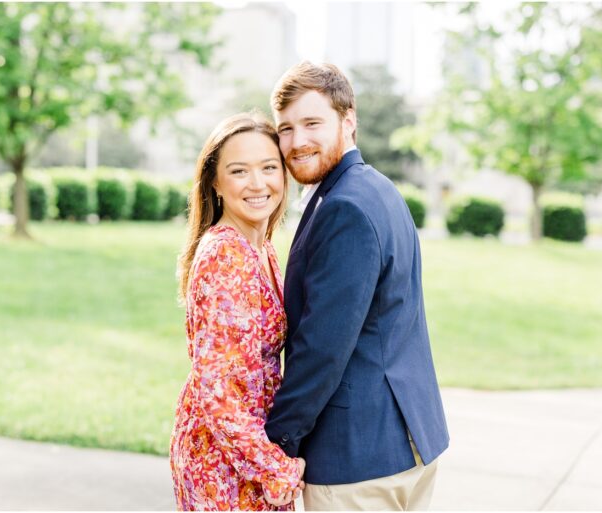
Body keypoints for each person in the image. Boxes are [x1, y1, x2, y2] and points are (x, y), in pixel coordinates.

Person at [263, 61, 450, 510]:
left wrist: (278, 440)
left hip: (357, 460)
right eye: (285, 129)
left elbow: (323, 347)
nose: (297, 141)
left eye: (312, 123)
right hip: (409, 444)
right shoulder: (378, 189)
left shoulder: (344, 207)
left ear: (348, 121)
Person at [170, 112, 305, 511]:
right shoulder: (226, 255)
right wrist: (272, 469)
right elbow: (218, 390)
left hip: (248, 450)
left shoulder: (262, 247)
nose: (258, 183)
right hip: (223, 460)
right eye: (239, 171)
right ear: (215, 181)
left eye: (268, 167)